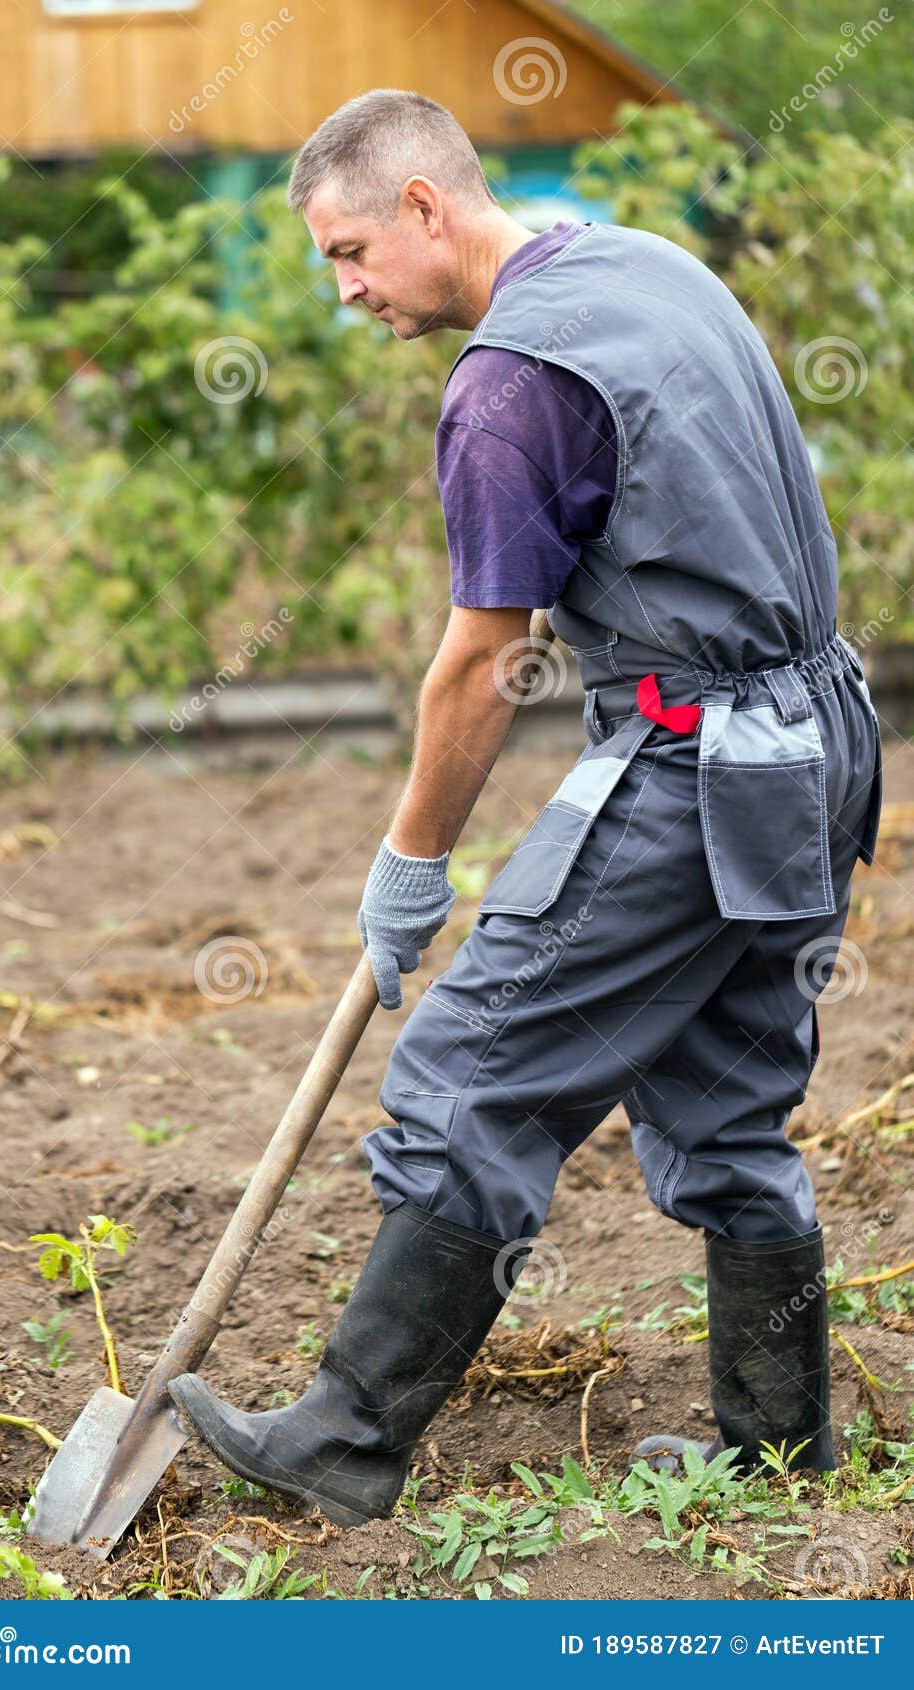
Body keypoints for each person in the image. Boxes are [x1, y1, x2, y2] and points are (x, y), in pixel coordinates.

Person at [169, 89, 883, 1528]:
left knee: (471, 1073)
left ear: (429, 207)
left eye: (352, 251)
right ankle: (775, 1443)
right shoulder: (641, 264)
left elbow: (486, 667)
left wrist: (408, 863)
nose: (349, 291)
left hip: (695, 765)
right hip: (823, 737)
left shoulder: (506, 386)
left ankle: (350, 1435)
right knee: (725, 1097)